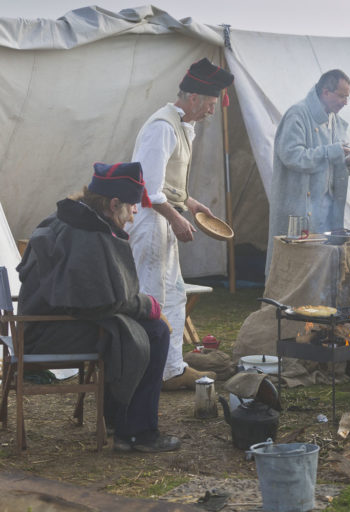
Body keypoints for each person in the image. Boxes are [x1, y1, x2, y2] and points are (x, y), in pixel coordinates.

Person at [17, 162, 180, 452]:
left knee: (138, 330)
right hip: (50, 332)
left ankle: (122, 421)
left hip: (49, 323)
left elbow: (94, 298)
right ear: (113, 203)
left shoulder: (73, 218)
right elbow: (102, 302)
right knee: (153, 332)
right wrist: (148, 306)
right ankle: (135, 433)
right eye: (131, 206)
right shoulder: (86, 235)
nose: (133, 214)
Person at [126, 58, 233, 390]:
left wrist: (189, 202)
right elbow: (145, 189)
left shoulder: (184, 126)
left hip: (164, 218)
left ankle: (170, 368)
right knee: (151, 295)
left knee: (173, 296)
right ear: (194, 98)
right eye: (211, 105)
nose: (212, 112)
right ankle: (145, 370)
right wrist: (175, 219)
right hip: (148, 221)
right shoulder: (162, 127)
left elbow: (167, 185)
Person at [267, 69, 350, 271]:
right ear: (325, 92)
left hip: (327, 212)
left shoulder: (337, 122)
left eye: (347, 97)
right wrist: (331, 152)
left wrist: (349, 161)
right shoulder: (298, 114)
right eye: (341, 96)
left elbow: (334, 165)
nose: (345, 102)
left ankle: (318, 303)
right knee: (293, 267)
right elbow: (291, 156)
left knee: (321, 269)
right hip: (300, 209)